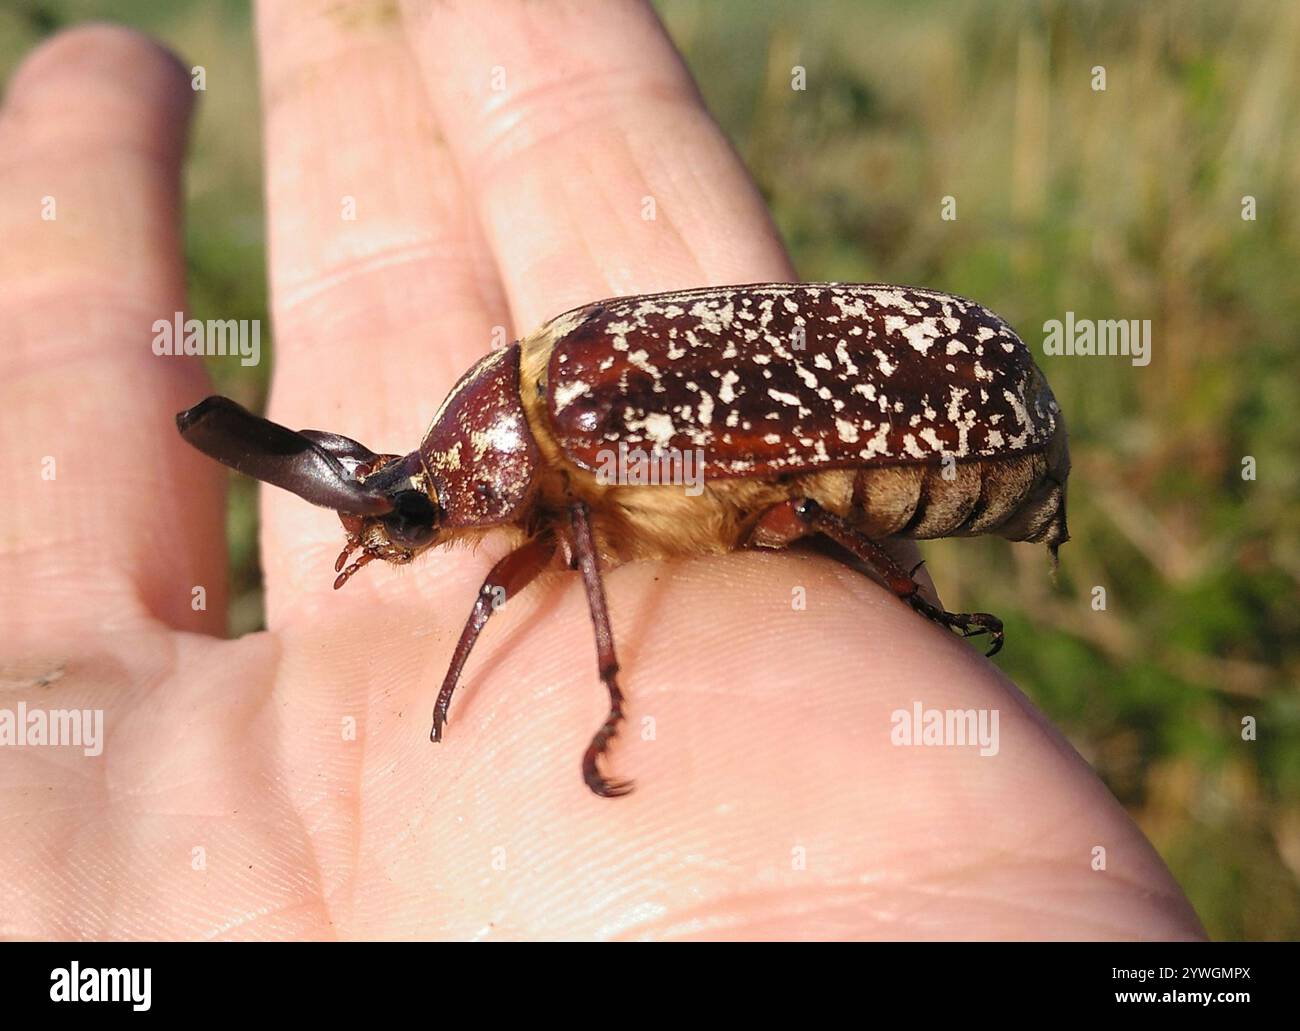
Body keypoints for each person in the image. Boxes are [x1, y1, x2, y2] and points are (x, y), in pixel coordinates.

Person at [0, 2, 1203, 940]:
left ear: (470, 476)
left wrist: (597, 692)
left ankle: (881, 617)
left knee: (786, 507)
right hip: (955, 380)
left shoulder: (573, 435)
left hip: (957, 422)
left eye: (408, 514)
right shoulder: (542, 378)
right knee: (783, 509)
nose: (409, 529)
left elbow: (573, 548)